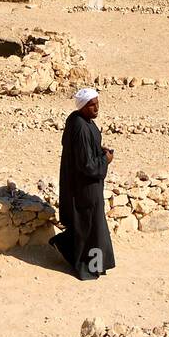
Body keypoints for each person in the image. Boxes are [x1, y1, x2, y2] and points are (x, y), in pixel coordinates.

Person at [50, 87, 115, 280]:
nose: (96, 108)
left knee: (87, 227)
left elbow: (81, 151)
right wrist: (106, 160)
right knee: (94, 231)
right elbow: (87, 165)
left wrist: (98, 148)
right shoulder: (80, 127)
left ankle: (71, 250)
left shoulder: (77, 120)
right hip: (87, 188)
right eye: (91, 105)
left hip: (83, 186)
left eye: (97, 103)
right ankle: (91, 268)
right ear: (83, 107)